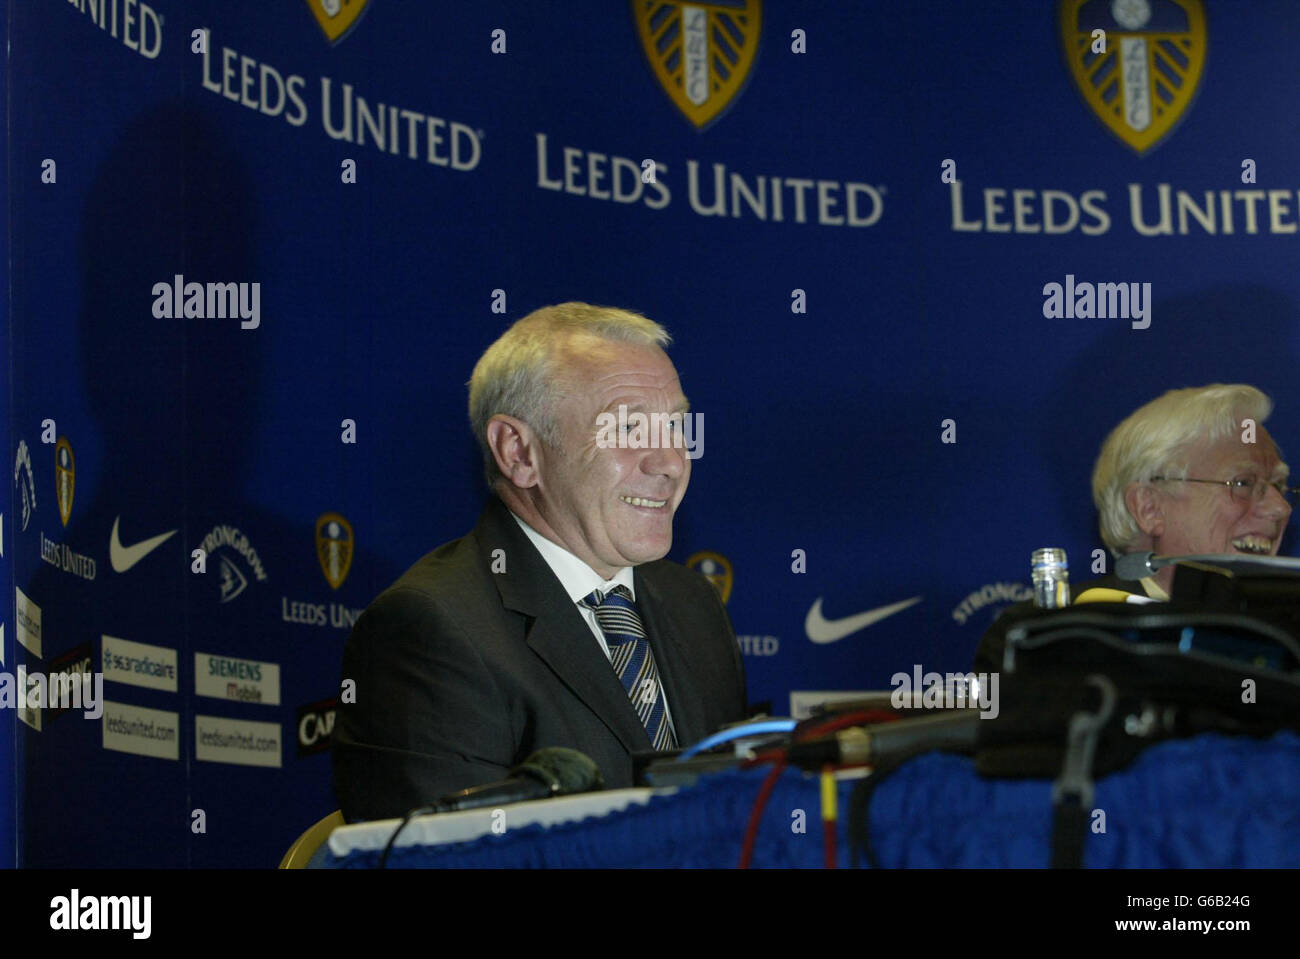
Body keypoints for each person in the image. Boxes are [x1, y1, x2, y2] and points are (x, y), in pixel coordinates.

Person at [332, 303, 747, 822]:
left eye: (676, 426)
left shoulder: (693, 605)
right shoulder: (432, 630)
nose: (669, 461)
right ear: (519, 453)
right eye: (628, 429)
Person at [976, 383, 1293, 672]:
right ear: (1150, 508)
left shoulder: (1289, 636)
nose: (1281, 507)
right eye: (1242, 483)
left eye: (1279, 485)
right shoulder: (1049, 637)